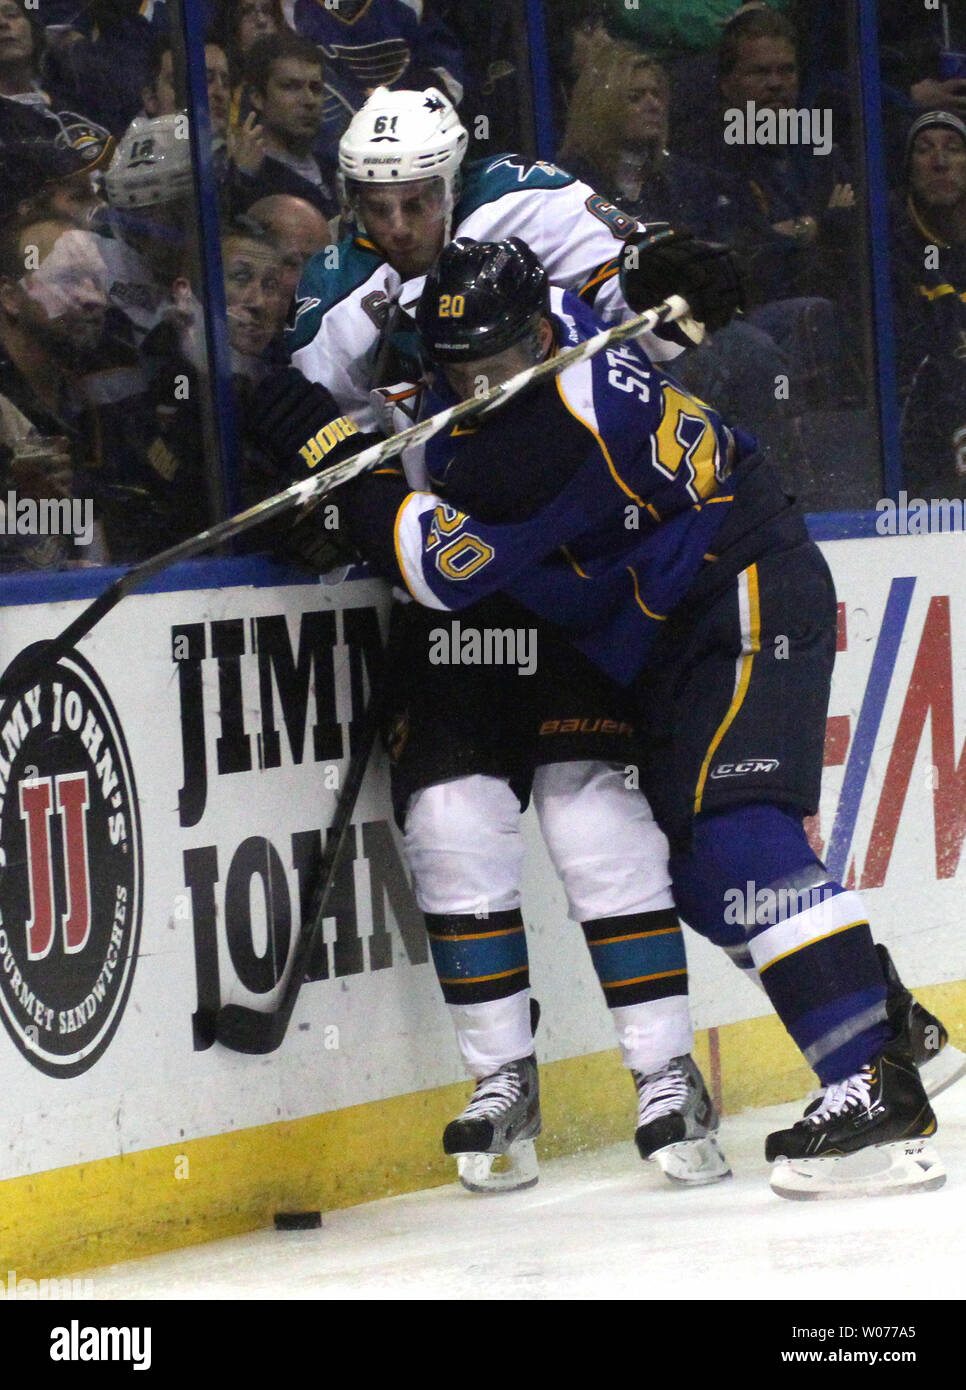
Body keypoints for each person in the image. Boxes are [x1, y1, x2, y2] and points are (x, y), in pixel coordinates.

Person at [256, 86, 958, 1192]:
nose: (481, 387)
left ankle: (870, 1080)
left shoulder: (525, 443)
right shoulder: (557, 329)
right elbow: (602, 296)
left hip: (742, 587)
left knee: (734, 835)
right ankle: (887, 1020)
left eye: (494, 364)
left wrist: (345, 471)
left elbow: (442, 564)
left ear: (533, 332)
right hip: (680, 617)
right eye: (462, 375)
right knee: (704, 873)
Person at [258, 84, 747, 1192]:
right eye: (373, 205)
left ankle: (667, 1076)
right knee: (449, 819)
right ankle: (499, 1079)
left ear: (453, 179)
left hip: (568, 577)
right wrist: (312, 459)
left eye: (415, 200)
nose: (395, 225)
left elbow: (638, 281)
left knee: (593, 820)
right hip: (460, 594)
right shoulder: (341, 293)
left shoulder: (528, 206)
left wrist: (672, 266)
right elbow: (314, 430)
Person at [891, 111, 966, 495]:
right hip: (930, 422)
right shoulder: (890, 243)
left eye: (953, 149)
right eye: (925, 150)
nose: (940, 162)